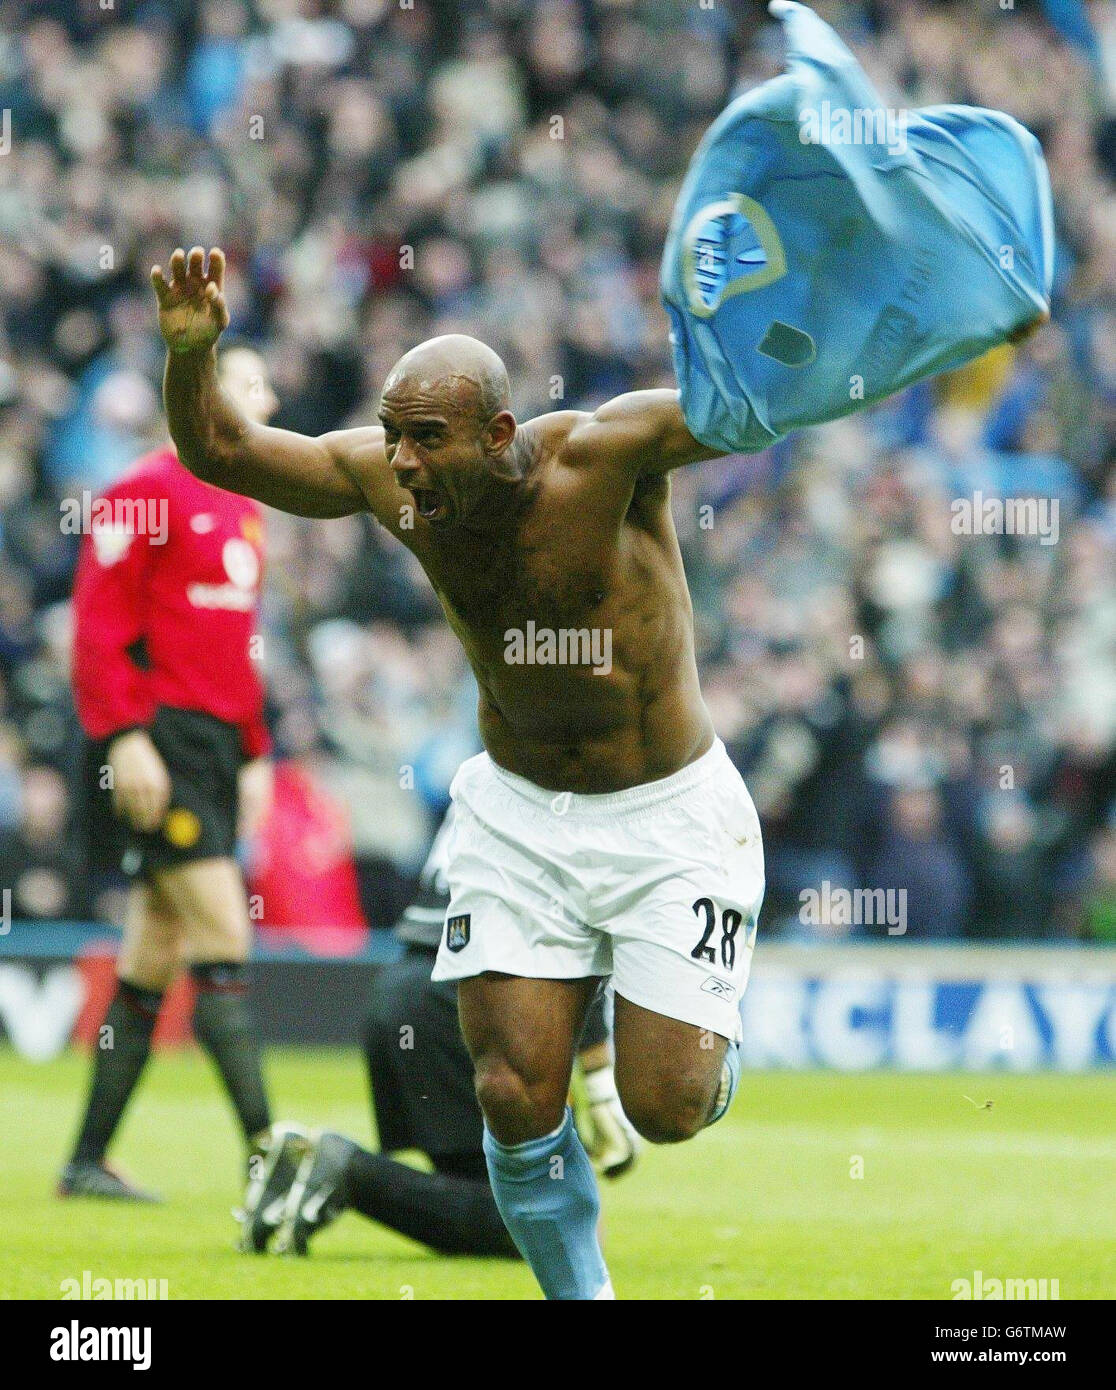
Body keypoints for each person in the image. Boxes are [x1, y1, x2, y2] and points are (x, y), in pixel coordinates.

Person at [152, 246, 766, 1299]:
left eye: (426, 440)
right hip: (518, 815)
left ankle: (704, 1048)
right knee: (511, 1090)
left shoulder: (607, 454)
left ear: (497, 433)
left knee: (667, 1106)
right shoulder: (390, 489)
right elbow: (222, 448)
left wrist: (791, 307)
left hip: (672, 814)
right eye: (392, 439)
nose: (403, 464)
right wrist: (191, 355)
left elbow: (756, 407)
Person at [60, 345, 282, 1202]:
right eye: (251, 384)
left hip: (217, 746)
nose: (269, 398)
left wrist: (256, 752)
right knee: (225, 933)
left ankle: (87, 1161)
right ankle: (270, 1158)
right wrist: (123, 737)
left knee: (153, 950)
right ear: (202, 400)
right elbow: (96, 625)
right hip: (159, 740)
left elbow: (236, 650)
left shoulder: (246, 506)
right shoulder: (144, 491)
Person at [241, 806, 639, 1258]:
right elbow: (573, 937)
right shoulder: (574, 789)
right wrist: (601, 1084)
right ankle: (343, 1170)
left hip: (407, 988)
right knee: (554, 1222)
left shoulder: (490, 776)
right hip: (466, 1000)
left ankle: (305, 1172)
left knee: (493, 1194)